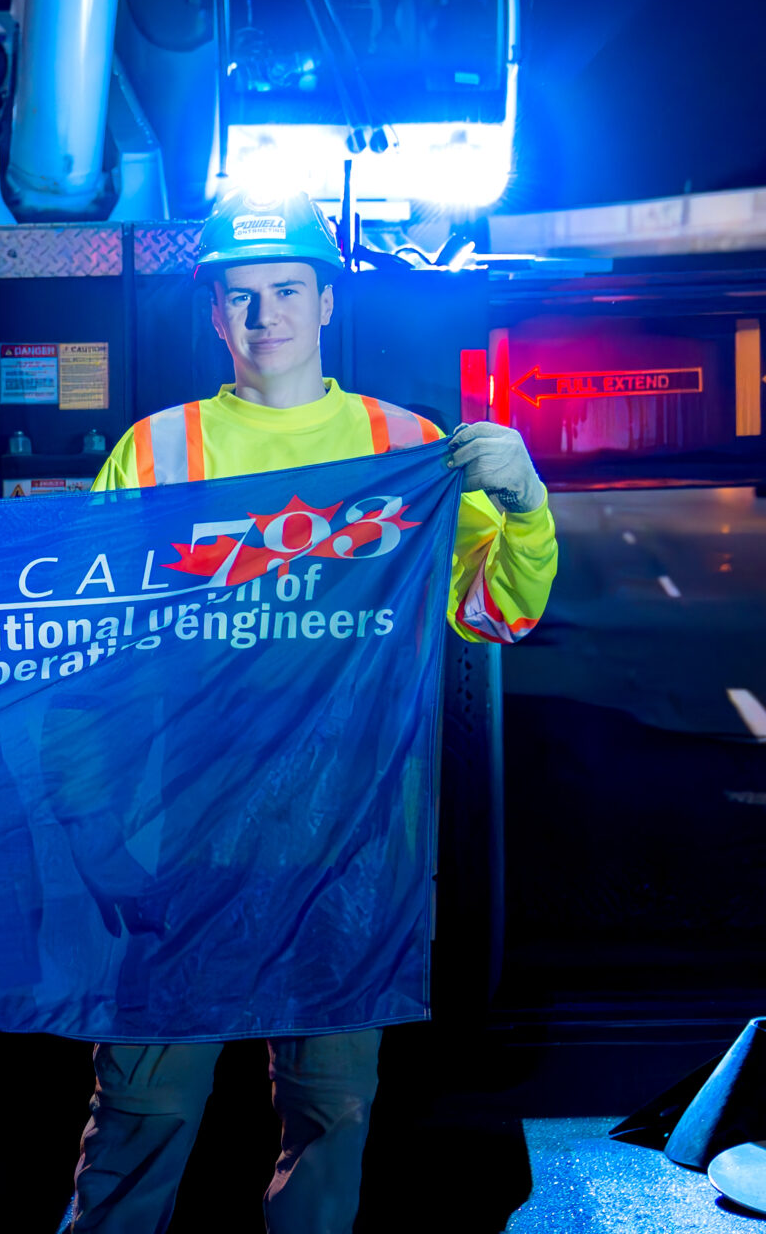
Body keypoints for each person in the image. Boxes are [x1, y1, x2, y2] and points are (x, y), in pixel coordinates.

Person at [66, 188, 558, 1234]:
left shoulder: (401, 445)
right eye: (240, 296)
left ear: (326, 300)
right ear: (211, 312)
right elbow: (87, 661)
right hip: (183, 845)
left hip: (347, 838)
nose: (264, 318)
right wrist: (94, 828)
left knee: (331, 1115)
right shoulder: (156, 454)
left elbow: (493, 613)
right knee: (144, 1112)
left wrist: (525, 510)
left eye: (286, 290)